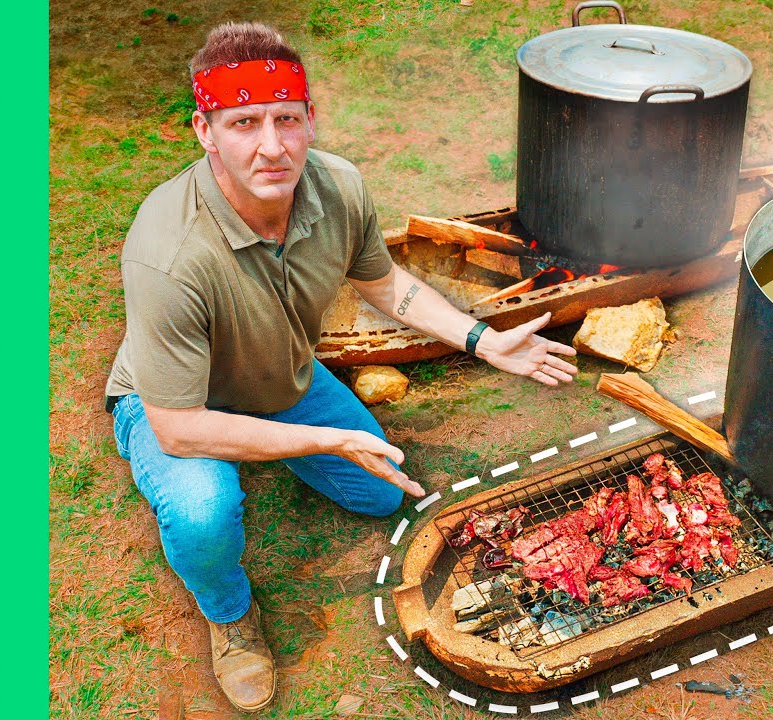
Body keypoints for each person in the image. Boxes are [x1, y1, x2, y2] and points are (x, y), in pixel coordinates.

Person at [103, 21, 578, 712]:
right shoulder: (166, 252)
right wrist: (324, 438)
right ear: (204, 132)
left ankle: (272, 443)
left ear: (309, 120)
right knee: (205, 510)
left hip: (278, 377)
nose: (273, 146)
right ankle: (232, 618)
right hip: (170, 404)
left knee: (379, 495)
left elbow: (387, 289)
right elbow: (178, 428)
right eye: (244, 124)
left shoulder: (338, 187)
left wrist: (480, 339)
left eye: (286, 119)